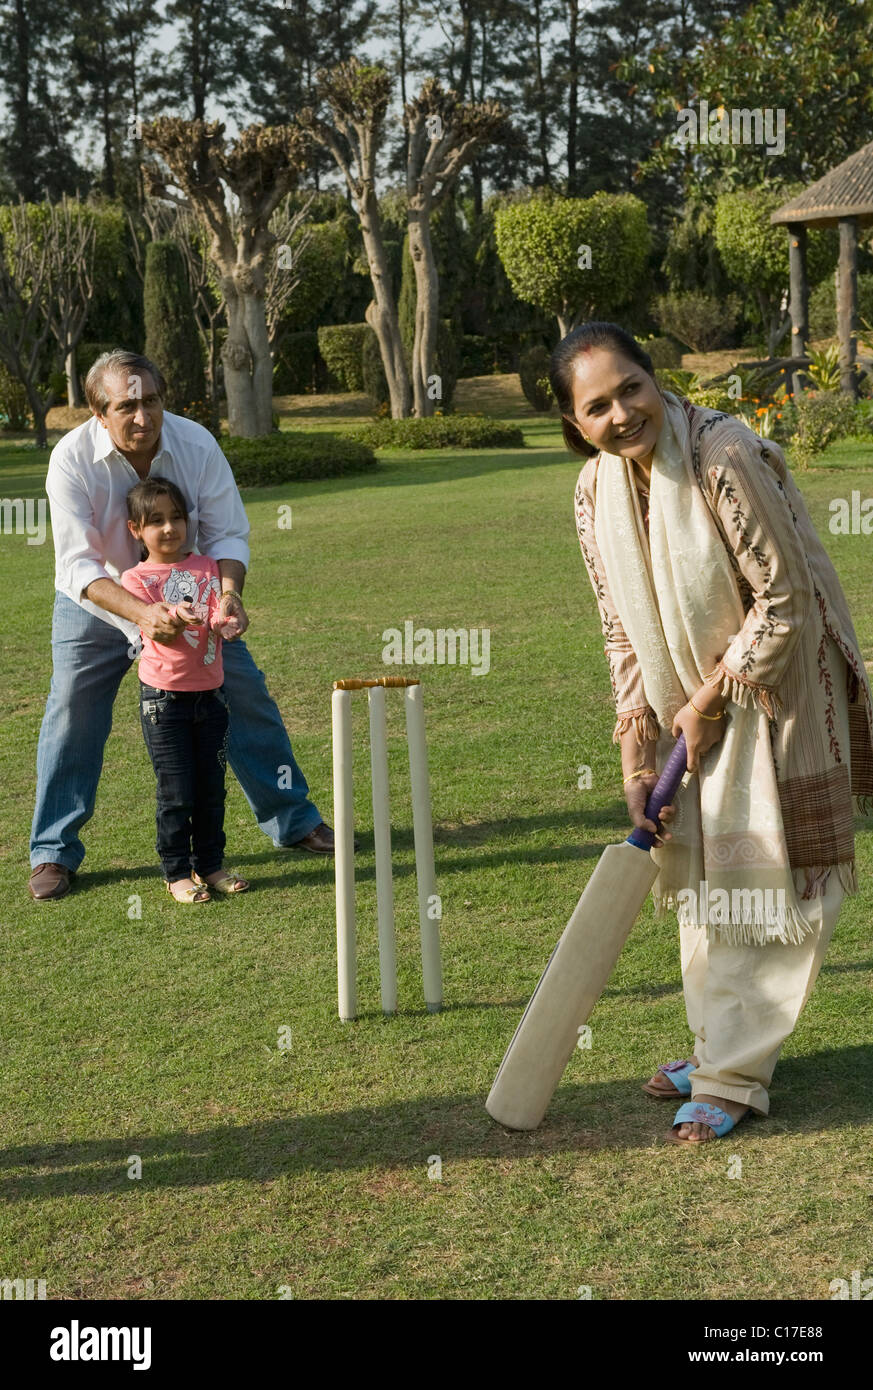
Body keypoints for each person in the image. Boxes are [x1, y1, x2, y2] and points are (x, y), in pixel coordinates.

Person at [550, 321, 873, 1145]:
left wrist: (709, 703)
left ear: (654, 380)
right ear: (574, 424)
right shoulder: (594, 492)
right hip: (682, 703)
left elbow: (786, 599)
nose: (621, 412)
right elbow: (618, 626)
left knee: (769, 884)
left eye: (630, 387)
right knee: (702, 882)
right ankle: (716, 1047)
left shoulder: (722, 454)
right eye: (597, 406)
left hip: (782, 688)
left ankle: (732, 1074)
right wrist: (637, 740)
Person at [29, 350, 335, 903]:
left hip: (190, 601)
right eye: (127, 406)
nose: (143, 417)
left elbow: (227, 536)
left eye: (151, 401)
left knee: (244, 695)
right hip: (98, 602)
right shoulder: (69, 459)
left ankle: (295, 820)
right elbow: (78, 564)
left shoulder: (195, 443)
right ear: (99, 413)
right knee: (72, 708)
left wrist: (229, 598)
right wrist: (144, 617)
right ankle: (52, 851)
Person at [121, 476, 249, 903]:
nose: (170, 528)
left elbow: (212, 618)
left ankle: (210, 866)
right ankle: (176, 873)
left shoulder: (206, 567)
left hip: (211, 697)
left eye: (177, 517)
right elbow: (163, 633)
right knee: (177, 790)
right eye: (155, 520)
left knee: (212, 786)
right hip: (165, 702)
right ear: (135, 530)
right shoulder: (135, 581)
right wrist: (177, 613)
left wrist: (225, 621)